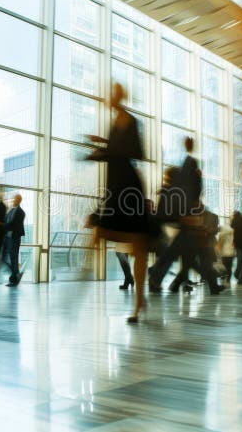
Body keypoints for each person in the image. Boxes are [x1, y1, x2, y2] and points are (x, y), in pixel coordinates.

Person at [86, 83, 150, 323]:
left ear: (119, 97)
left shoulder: (131, 121)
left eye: (111, 94)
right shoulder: (115, 123)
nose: (107, 98)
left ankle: (139, 302)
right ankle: (139, 301)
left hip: (128, 186)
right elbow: (116, 151)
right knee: (101, 230)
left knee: (138, 245)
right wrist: (102, 145)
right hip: (116, 185)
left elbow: (136, 152)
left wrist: (104, 149)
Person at [2, 193, 25, 287]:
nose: (13, 200)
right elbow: (5, 220)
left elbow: (12, 223)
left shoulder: (21, 212)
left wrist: (1, 227)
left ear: (19, 201)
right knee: (4, 258)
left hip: (14, 238)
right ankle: (16, 273)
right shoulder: (11, 211)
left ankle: (14, 278)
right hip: (7, 238)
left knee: (13, 258)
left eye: (15, 199)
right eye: (13, 199)